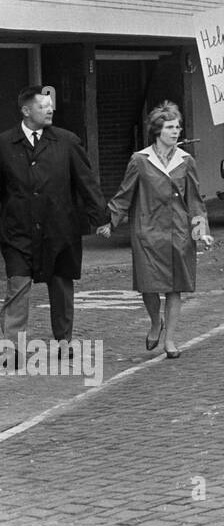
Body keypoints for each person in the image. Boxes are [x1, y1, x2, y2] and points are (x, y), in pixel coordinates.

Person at [99, 102, 212, 358]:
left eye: (178, 127)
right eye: (170, 127)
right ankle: (154, 322)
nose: (176, 131)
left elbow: (194, 200)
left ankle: (170, 340)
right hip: (147, 231)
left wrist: (201, 230)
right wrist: (111, 220)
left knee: (175, 287)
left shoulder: (186, 161)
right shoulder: (140, 160)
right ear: (157, 131)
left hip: (179, 232)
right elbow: (124, 194)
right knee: (148, 286)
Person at [1, 87, 107, 348]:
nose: (50, 110)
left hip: (59, 230)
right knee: (17, 287)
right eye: (43, 106)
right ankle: (12, 348)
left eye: (51, 106)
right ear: (26, 111)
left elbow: (86, 182)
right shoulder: (4, 144)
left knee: (61, 288)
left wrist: (101, 216)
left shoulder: (67, 141)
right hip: (18, 232)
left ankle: (64, 341)